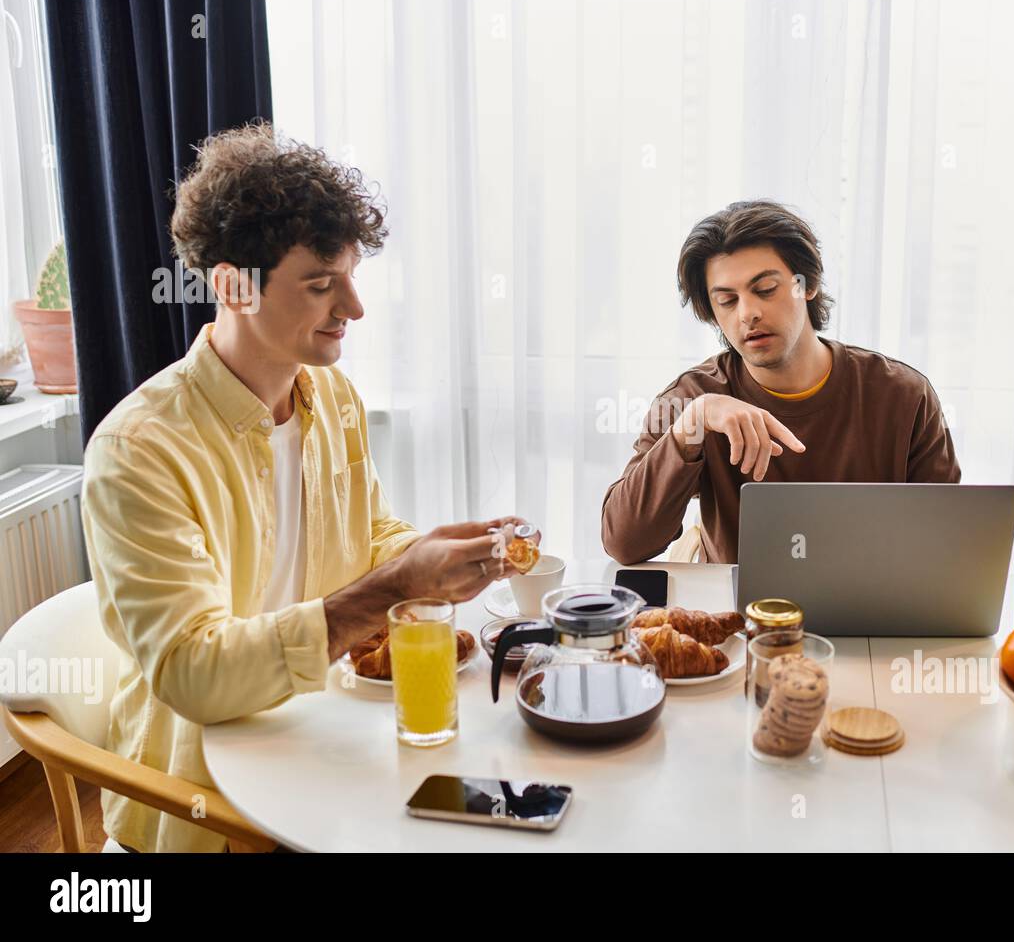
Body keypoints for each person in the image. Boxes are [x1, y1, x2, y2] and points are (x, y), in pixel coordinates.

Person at [80, 124, 533, 852]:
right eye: (322, 284)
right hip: (207, 808)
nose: (353, 309)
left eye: (352, 278)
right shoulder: (139, 451)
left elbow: (366, 538)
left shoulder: (333, 399)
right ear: (232, 284)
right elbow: (193, 674)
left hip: (320, 746)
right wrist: (391, 590)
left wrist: (441, 553)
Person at [601, 200, 960, 565]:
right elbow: (624, 543)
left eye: (766, 289)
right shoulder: (691, 400)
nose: (747, 313)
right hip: (737, 616)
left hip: (871, 612)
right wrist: (693, 425)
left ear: (809, 285)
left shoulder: (903, 396)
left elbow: (948, 540)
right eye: (726, 300)